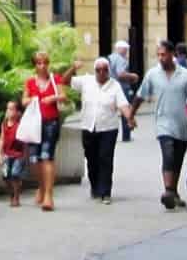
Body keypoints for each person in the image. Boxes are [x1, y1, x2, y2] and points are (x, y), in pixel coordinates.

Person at [128, 39, 187, 210]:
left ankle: (174, 193)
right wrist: (131, 115)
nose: (161, 58)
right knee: (168, 153)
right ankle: (168, 191)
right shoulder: (152, 74)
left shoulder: (185, 75)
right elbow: (140, 96)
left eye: (164, 54)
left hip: (182, 125)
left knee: (177, 159)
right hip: (163, 124)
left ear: (172, 55)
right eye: (159, 55)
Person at [69, 57, 130, 204]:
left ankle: (105, 192)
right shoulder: (86, 81)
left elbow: (122, 104)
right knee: (91, 159)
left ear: (109, 71)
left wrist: (129, 118)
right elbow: (65, 81)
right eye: (98, 70)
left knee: (105, 159)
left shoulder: (114, 85)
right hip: (89, 126)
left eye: (105, 70)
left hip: (108, 128)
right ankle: (95, 186)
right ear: (94, 71)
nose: (102, 73)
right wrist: (73, 68)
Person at [22, 50, 76, 211]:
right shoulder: (30, 82)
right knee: (35, 160)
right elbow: (23, 100)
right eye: (39, 63)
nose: (42, 66)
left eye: (45, 62)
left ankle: (48, 196)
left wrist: (52, 98)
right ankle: (42, 186)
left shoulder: (55, 79)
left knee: (47, 157)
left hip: (50, 122)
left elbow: (63, 96)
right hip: (34, 124)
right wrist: (32, 99)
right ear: (35, 65)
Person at [108, 40, 139, 143]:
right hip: (122, 88)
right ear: (120, 49)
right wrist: (132, 76)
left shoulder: (110, 58)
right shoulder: (120, 59)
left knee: (110, 111)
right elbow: (120, 74)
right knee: (125, 109)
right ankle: (126, 135)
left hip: (111, 87)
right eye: (125, 49)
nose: (126, 51)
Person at [0, 99, 27, 208]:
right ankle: (11, 194)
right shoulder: (4, 123)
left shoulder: (20, 124)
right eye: (7, 109)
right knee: (6, 176)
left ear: (18, 112)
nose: (8, 111)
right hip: (6, 154)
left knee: (15, 174)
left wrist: (25, 155)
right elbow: (1, 139)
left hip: (18, 154)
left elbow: (25, 140)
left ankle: (16, 197)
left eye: (11, 109)